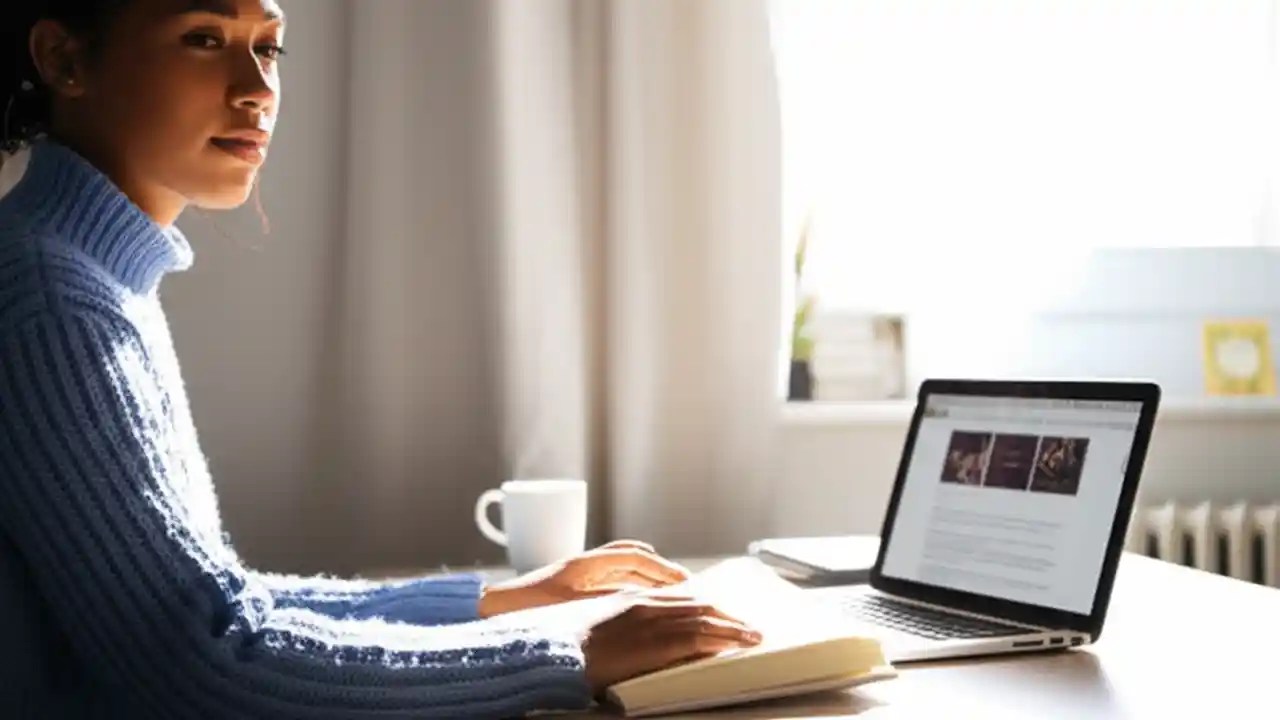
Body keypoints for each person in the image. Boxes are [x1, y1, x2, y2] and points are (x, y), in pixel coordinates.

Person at [0, 1, 761, 717]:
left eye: (270, 47)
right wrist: (565, 654)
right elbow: (201, 658)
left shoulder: (85, 276)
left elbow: (213, 605)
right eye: (205, 38)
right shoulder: (56, 302)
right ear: (65, 59)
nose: (257, 88)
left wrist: (501, 601)